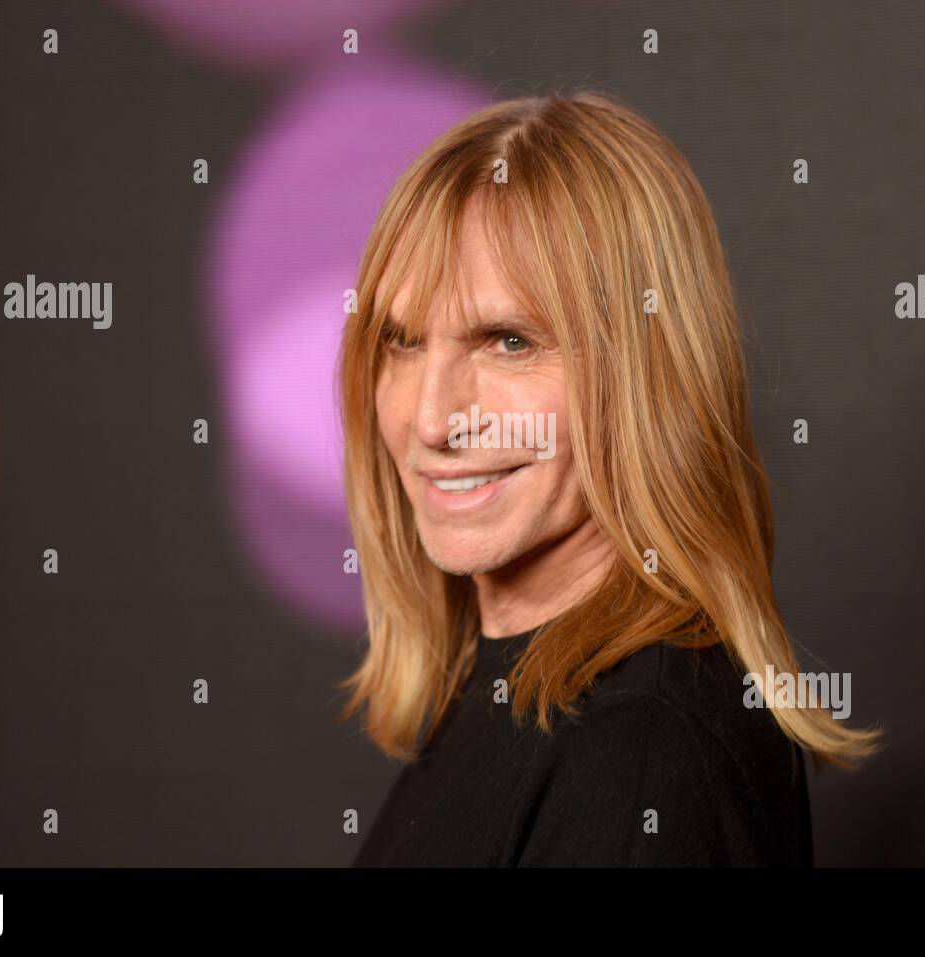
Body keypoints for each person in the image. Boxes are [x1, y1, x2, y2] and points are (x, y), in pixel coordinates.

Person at [337, 91, 884, 866]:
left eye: (508, 341)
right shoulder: (515, 691)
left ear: (647, 374)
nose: (431, 419)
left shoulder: (641, 754)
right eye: (401, 339)